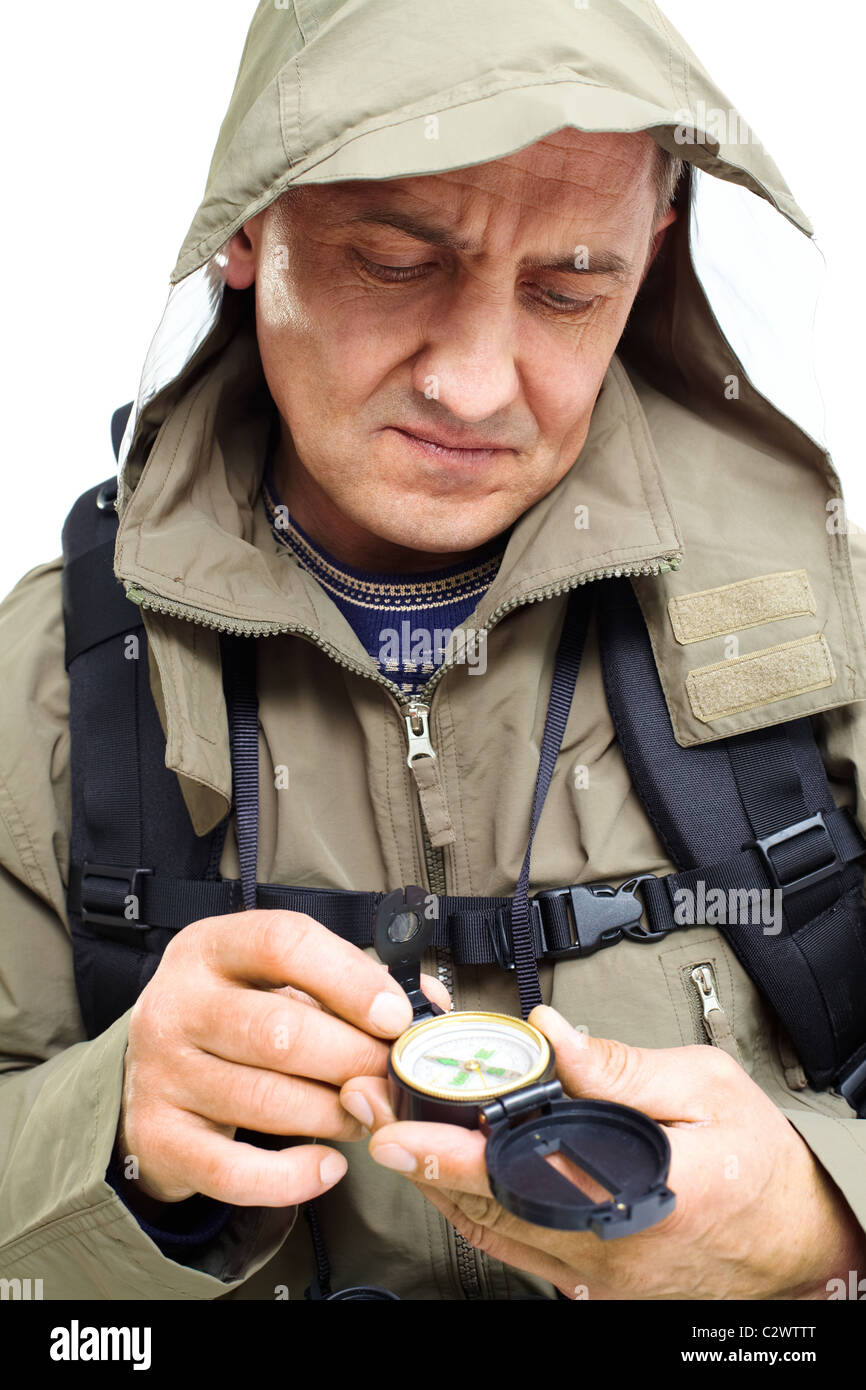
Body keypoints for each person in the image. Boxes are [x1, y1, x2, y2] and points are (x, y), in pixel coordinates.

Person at [1, 0, 865, 1301]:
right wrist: (111, 1129)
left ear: (658, 250)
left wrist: (820, 1216)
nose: (471, 381)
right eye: (394, 264)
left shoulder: (837, 629)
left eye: (572, 285)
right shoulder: (43, 687)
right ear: (247, 227)